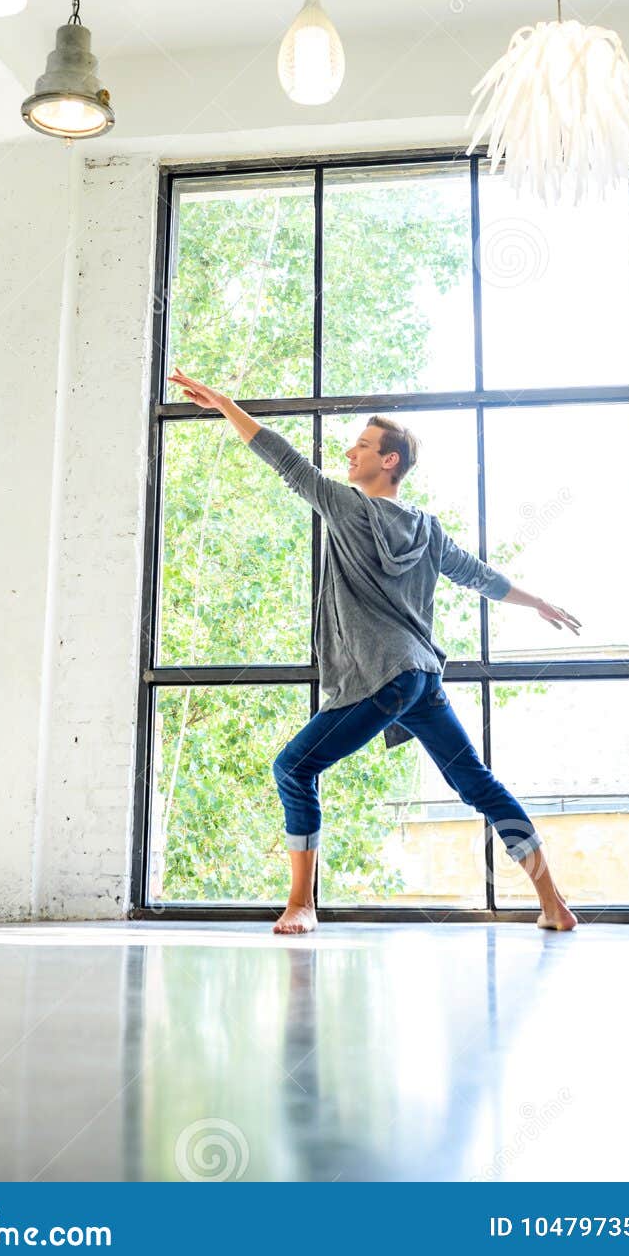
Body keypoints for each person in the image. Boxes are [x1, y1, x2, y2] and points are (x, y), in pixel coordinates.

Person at [168, 371, 582, 936]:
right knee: (476, 783)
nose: (349, 450)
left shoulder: (346, 507)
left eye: (362, 445)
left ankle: (302, 904)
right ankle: (553, 902)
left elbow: (282, 458)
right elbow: (477, 576)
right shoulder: (428, 529)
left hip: (383, 675)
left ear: (389, 461)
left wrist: (225, 405)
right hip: (419, 677)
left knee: (294, 767)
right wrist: (537, 602)